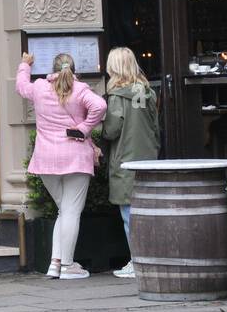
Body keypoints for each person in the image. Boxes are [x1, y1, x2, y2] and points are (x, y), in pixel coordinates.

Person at [16, 51, 106, 279]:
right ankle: (67, 265)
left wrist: (25, 65)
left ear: (52, 68)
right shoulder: (80, 89)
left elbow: (21, 86)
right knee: (71, 212)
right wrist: (85, 129)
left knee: (63, 211)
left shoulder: (38, 87)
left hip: (46, 160)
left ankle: (55, 263)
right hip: (75, 158)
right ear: (73, 69)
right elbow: (100, 106)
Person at [101, 47, 161, 279]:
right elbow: (155, 127)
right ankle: (150, 258)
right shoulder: (147, 92)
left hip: (126, 160)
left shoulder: (117, 96)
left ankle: (138, 262)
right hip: (148, 159)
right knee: (146, 212)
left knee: (130, 214)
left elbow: (112, 131)